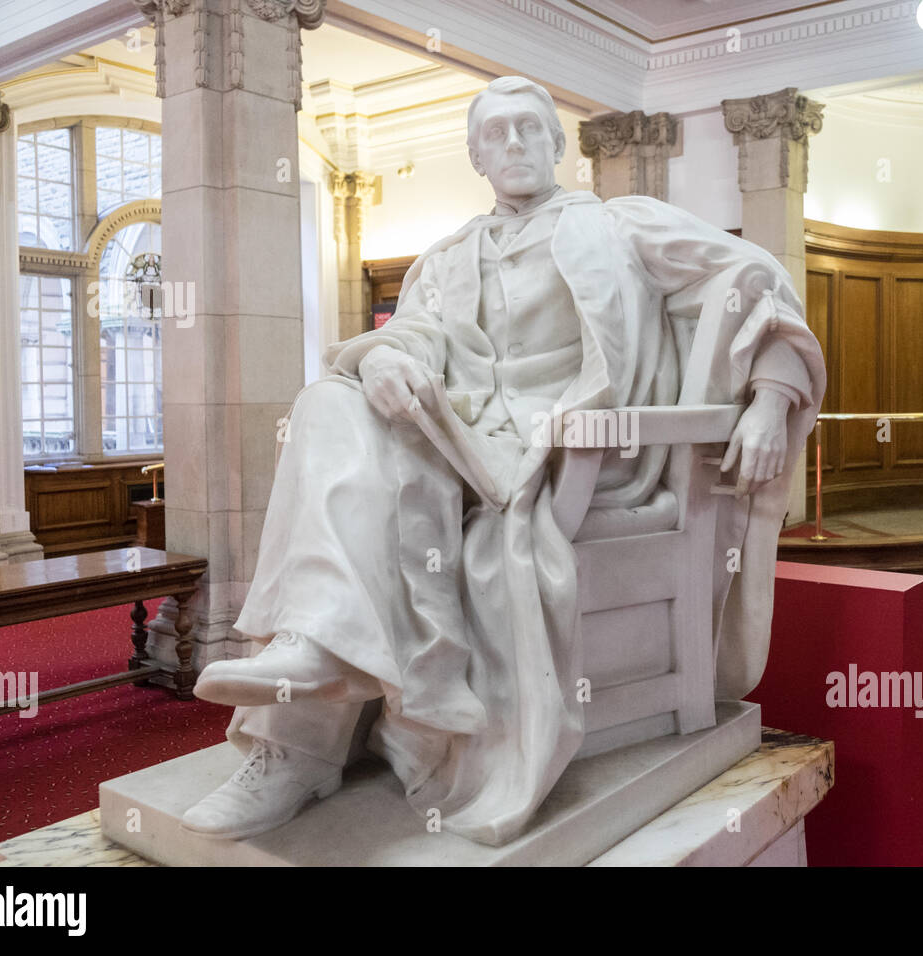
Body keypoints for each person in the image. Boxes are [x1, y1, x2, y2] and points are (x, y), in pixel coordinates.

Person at [178, 76, 827, 846]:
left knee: (385, 486)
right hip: (456, 446)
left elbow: (753, 281)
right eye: (497, 132)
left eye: (530, 128)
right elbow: (417, 336)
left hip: (568, 459)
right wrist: (384, 357)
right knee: (330, 399)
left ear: (558, 145)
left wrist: (771, 397)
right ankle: (300, 719)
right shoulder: (448, 256)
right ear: (476, 154)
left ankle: (308, 712)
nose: (515, 142)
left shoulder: (622, 227)